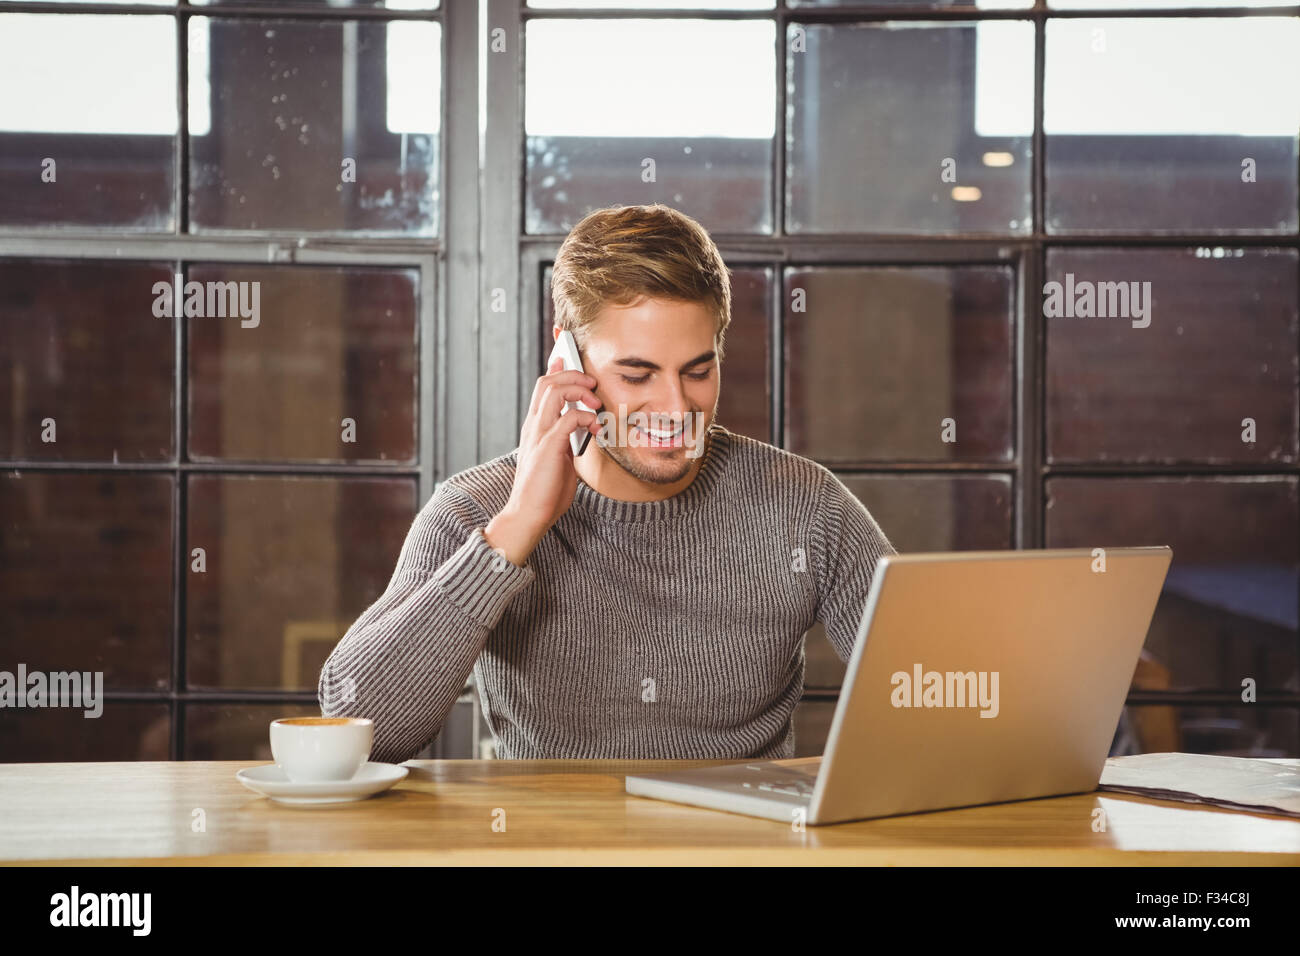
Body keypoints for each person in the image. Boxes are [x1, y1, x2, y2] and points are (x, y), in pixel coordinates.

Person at [319, 203, 896, 762]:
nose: (676, 407)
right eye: (636, 373)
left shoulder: (802, 504)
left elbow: (939, 693)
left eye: (698, 370)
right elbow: (360, 732)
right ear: (567, 360)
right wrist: (515, 532)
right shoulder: (480, 510)